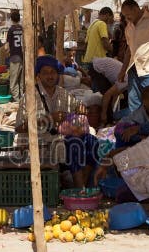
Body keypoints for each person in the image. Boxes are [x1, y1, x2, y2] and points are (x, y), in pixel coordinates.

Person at [16, 56, 99, 187]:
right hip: (38, 143)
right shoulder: (30, 96)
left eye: (53, 72)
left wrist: (81, 109)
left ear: (58, 75)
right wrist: (49, 118)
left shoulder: (63, 94)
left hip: (58, 140)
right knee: (74, 143)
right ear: (38, 76)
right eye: (45, 73)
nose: (50, 76)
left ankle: (83, 184)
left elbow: (78, 106)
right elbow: (19, 127)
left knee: (92, 141)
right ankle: (80, 188)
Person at [83, 7, 115, 92]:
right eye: (112, 18)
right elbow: (105, 43)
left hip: (90, 61)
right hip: (98, 61)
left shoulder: (92, 24)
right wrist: (114, 51)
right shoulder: (101, 24)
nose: (112, 21)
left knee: (95, 88)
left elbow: (86, 44)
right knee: (101, 90)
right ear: (107, 15)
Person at [92, 54, 128, 125]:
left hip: (100, 64)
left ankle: (107, 120)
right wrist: (104, 114)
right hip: (97, 68)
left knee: (109, 104)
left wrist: (113, 112)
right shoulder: (126, 81)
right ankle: (102, 121)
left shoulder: (127, 81)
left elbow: (115, 95)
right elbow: (107, 95)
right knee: (105, 98)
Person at [6, 10, 24, 102]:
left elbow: (7, 47)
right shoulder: (22, 29)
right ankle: (22, 100)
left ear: (11, 19)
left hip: (14, 58)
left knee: (13, 83)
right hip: (23, 58)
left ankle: (17, 101)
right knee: (21, 82)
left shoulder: (11, 30)